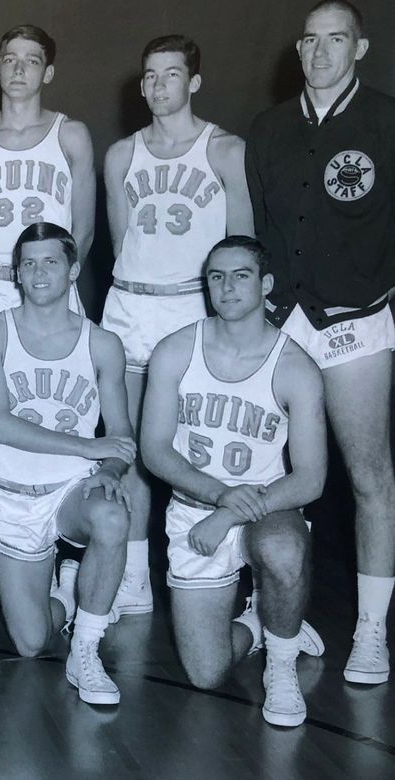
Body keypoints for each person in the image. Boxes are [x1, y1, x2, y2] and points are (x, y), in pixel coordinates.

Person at [245, 0, 394, 686]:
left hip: (357, 320)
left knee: (369, 478)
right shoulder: (269, 129)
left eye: (337, 40)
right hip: (284, 323)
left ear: (359, 49)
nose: (322, 52)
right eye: (311, 41)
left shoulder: (387, 121)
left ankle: (370, 632)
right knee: (272, 479)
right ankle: (275, 608)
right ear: (298, 51)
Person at [142, 236, 327, 725]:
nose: (226, 287)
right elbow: (154, 450)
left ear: (265, 284)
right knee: (206, 673)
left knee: (285, 549)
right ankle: (264, 624)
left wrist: (228, 511)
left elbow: (310, 479)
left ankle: (282, 668)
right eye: (216, 277)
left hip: (267, 508)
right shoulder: (176, 350)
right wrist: (218, 496)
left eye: (240, 275)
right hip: (194, 511)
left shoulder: (296, 367)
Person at [101, 34, 252, 619]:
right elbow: (120, 243)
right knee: (132, 444)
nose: (159, 85)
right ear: (141, 85)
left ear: (194, 81)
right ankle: (135, 576)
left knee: (197, 448)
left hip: (193, 309)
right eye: (150, 76)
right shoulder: (122, 155)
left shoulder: (225, 150)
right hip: (131, 307)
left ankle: (225, 579)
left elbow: (241, 247)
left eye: (171, 74)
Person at [0, 24, 96, 613]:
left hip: (50, 287)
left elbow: (83, 229)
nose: (18, 70)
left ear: (47, 72)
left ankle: (65, 555)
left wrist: (55, 293)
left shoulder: (72, 135)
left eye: (31, 61)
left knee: (62, 420)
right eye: (9, 59)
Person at [0, 223, 134, 703]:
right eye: (29, 263)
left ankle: (87, 649)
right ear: (16, 274)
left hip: (72, 493)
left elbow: (121, 435)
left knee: (111, 515)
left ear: (74, 269)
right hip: (14, 494)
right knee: (30, 643)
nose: (39, 272)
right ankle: (68, 594)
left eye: (51, 262)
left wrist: (107, 469)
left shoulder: (102, 344)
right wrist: (89, 448)